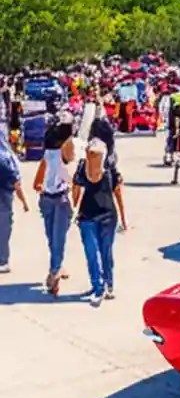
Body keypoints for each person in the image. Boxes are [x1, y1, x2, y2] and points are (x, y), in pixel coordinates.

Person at [71, 135, 124, 306]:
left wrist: (123, 218)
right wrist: (74, 205)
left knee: (105, 252)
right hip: (87, 216)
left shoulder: (110, 168)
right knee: (92, 253)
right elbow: (76, 187)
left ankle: (108, 284)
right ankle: (98, 286)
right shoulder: (81, 167)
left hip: (108, 216)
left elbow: (118, 192)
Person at [33, 118, 76, 296]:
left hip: (46, 199)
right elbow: (72, 180)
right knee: (59, 237)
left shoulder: (47, 156)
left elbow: (36, 183)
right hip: (60, 199)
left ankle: (58, 265)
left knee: (52, 237)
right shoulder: (64, 156)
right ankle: (55, 271)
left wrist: (44, 187)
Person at [0, 133, 29, 274]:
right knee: (3, 230)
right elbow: (16, 182)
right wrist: (24, 202)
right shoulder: (7, 158)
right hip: (4, 197)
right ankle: (3, 261)